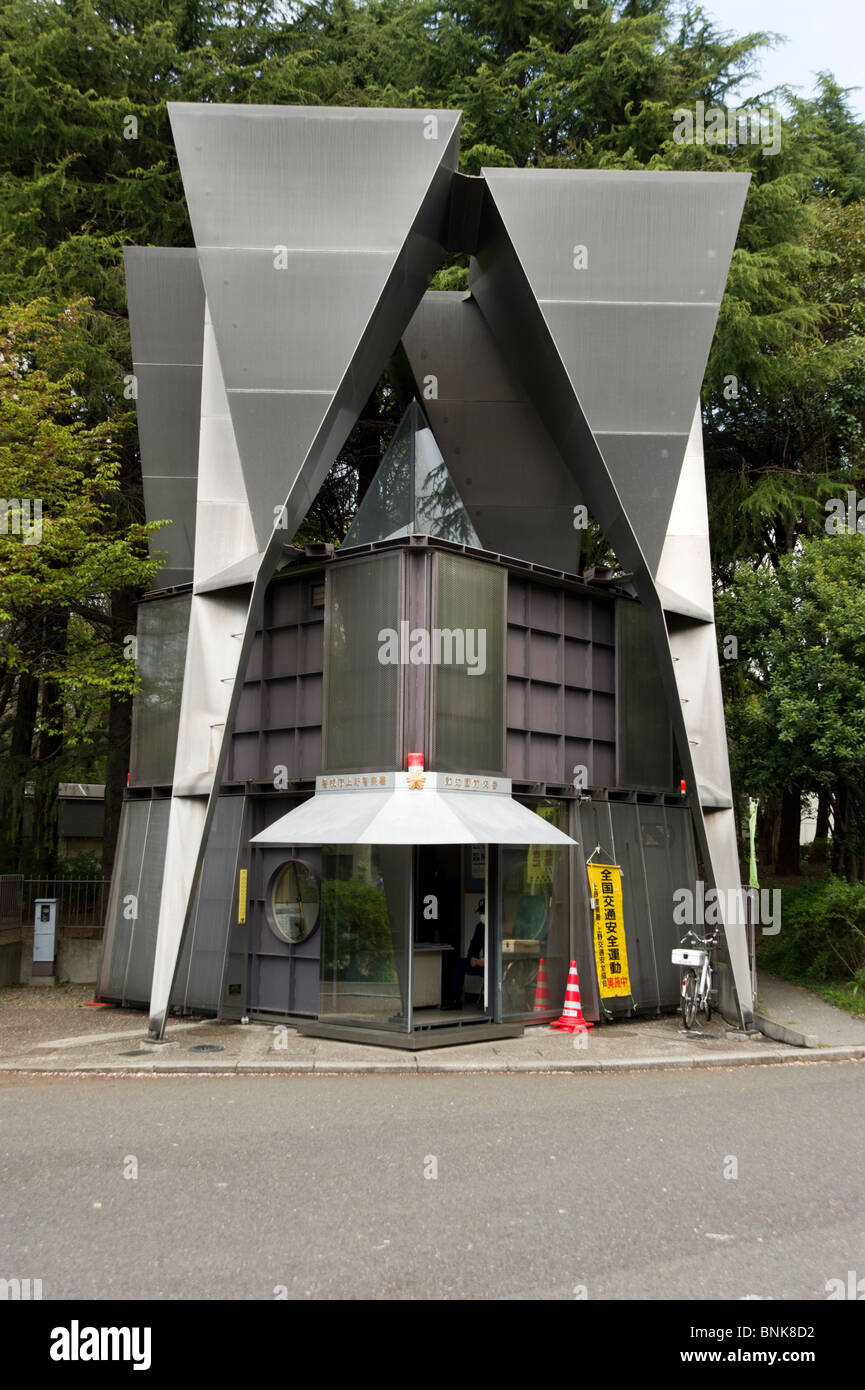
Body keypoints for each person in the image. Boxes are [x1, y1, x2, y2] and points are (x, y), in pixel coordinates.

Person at [446, 899, 485, 1008]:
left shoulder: (498, 926)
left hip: (494, 966)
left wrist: (487, 960)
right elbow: (474, 945)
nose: (482, 915)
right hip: (480, 964)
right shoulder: (480, 927)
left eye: (484, 912)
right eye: (481, 913)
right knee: (459, 964)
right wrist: (472, 957)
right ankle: (455, 1000)